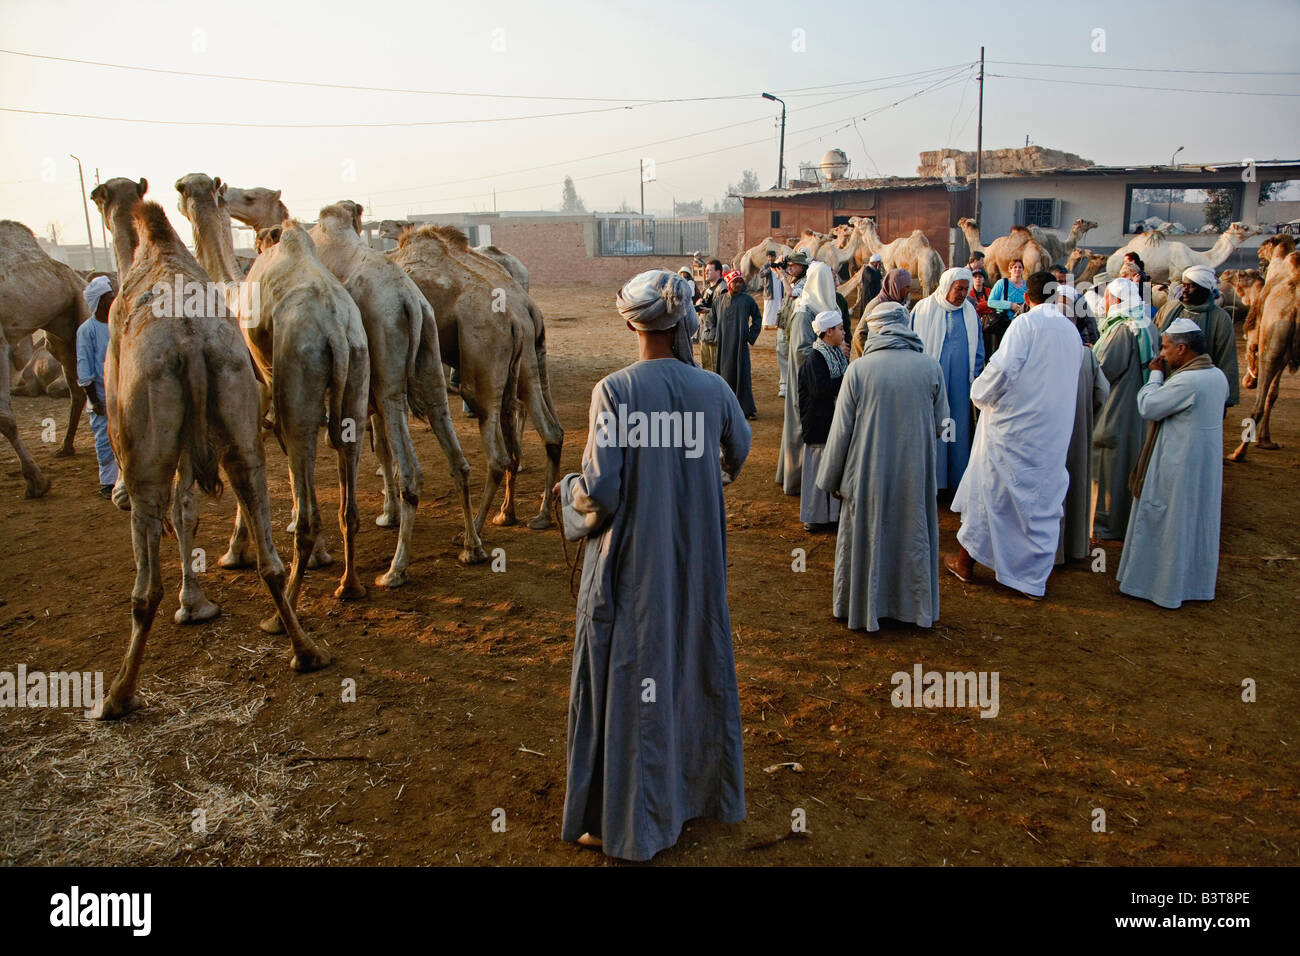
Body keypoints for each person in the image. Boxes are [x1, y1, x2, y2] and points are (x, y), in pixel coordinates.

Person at [556, 269, 751, 862]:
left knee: (633, 682)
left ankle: (632, 825)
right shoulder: (713, 389)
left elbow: (601, 493)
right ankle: (694, 797)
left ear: (629, 321)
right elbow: (735, 454)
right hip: (694, 566)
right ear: (683, 319)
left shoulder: (615, 391)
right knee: (691, 667)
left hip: (633, 569)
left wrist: (568, 493)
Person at [944, 271, 1082, 599]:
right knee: (1039, 500)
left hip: (1013, 430)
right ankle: (1032, 577)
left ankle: (965, 563)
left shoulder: (1025, 324)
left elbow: (1003, 370)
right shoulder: (1070, 331)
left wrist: (978, 392)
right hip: (1051, 432)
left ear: (1025, 297)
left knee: (989, 490)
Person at [817, 300, 949, 631]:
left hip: (866, 473)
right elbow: (942, 425)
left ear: (875, 328)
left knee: (868, 536)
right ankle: (913, 608)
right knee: (910, 532)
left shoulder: (859, 370)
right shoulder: (930, 367)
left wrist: (832, 478)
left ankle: (865, 608)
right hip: (913, 472)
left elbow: (841, 431)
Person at [1116, 319, 1228, 608]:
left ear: (1182, 349)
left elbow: (1148, 406)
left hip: (1176, 465)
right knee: (1193, 522)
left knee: (1169, 522)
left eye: (1165, 348)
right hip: (1201, 467)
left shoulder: (1187, 380)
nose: (1161, 355)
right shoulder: (1217, 376)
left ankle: (1160, 587)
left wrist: (1154, 377)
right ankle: (1191, 584)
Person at [1092, 276, 1159, 541]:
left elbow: (1106, 368)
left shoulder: (1122, 329)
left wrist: (1090, 358)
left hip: (1117, 408)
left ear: (1116, 300)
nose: (1105, 303)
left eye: (1108, 298)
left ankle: (1105, 525)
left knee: (1109, 465)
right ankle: (1125, 520)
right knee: (1128, 460)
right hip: (1136, 408)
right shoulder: (1145, 323)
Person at [910, 267, 985, 493]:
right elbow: (912, 344)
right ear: (946, 286)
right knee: (936, 425)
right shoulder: (923, 309)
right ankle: (935, 480)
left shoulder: (970, 313)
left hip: (961, 386)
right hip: (931, 385)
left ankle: (956, 481)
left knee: (957, 428)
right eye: (958, 288)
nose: (963, 293)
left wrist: (976, 375)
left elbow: (978, 349)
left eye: (966, 289)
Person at [776, 260, 836, 496]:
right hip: (806, 382)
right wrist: (830, 350)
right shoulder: (804, 312)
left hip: (818, 379)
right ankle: (798, 481)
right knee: (801, 427)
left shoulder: (819, 306)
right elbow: (802, 352)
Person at [1155, 265, 1238, 410]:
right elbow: (1155, 338)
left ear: (1205, 289)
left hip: (1200, 390)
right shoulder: (1169, 309)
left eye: (1191, 286)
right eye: (1184, 285)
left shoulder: (1220, 319)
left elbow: (1226, 357)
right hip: (1166, 385)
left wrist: (1226, 399)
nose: (1185, 290)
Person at [1056, 336, 1109, 565]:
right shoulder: (1086, 354)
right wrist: (1087, 419)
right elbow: (1102, 392)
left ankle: (1052, 553)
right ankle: (1075, 547)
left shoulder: (1037, 349)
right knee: (1074, 486)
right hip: (1078, 433)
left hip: (1046, 435)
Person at [797, 309, 848, 531]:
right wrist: (847, 381)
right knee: (818, 470)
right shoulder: (815, 359)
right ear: (828, 332)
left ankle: (832, 516)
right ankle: (815, 516)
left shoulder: (834, 353)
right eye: (840, 329)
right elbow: (821, 390)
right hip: (819, 426)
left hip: (830, 423)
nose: (843, 333)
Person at [77, 275, 119, 499]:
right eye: (109, 296)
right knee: (104, 439)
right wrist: (93, 399)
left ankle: (122, 480)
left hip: (120, 391)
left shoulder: (118, 324)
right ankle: (107, 483)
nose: (113, 298)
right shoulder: (87, 330)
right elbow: (84, 370)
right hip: (100, 394)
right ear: (100, 301)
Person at [713, 269, 763, 419]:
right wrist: (714, 335)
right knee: (725, 375)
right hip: (724, 346)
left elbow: (757, 318)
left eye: (741, 281)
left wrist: (750, 335)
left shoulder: (748, 300)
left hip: (740, 345)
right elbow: (711, 320)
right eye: (736, 282)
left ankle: (746, 410)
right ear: (729, 283)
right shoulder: (719, 301)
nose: (739, 284)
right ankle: (725, 409)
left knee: (743, 375)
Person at [851, 267, 911, 358]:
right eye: (906, 287)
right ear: (896, 285)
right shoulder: (877, 305)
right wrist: (870, 356)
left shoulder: (899, 306)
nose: (909, 290)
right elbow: (859, 335)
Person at [774, 251, 809, 399]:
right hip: (784, 320)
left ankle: (795, 385)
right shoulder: (792, 279)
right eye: (788, 266)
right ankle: (784, 384)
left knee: (795, 354)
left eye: (792, 266)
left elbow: (792, 294)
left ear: (801, 266)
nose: (789, 269)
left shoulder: (806, 281)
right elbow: (773, 268)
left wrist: (783, 278)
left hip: (796, 323)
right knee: (782, 351)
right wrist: (779, 264)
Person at [985, 259, 1027, 356]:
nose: (1017, 269)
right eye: (1014, 267)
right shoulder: (1002, 283)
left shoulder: (1027, 285)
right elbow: (991, 302)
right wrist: (1010, 305)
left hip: (1021, 323)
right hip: (1004, 322)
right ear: (1010, 269)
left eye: (1020, 267)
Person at [695, 259, 725, 371]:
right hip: (705, 331)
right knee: (706, 365)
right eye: (706, 270)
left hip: (715, 334)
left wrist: (707, 310)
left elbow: (724, 310)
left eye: (709, 270)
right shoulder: (708, 289)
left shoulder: (722, 288)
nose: (706, 272)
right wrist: (699, 303)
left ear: (718, 272)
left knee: (715, 366)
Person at [759, 250, 783, 338]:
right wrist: (770, 269)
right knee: (768, 307)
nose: (772, 258)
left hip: (778, 290)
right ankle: (765, 324)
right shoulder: (765, 266)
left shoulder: (778, 265)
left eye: (773, 256)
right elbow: (761, 274)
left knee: (778, 306)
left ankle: (777, 323)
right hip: (769, 290)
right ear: (767, 257)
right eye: (770, 256)